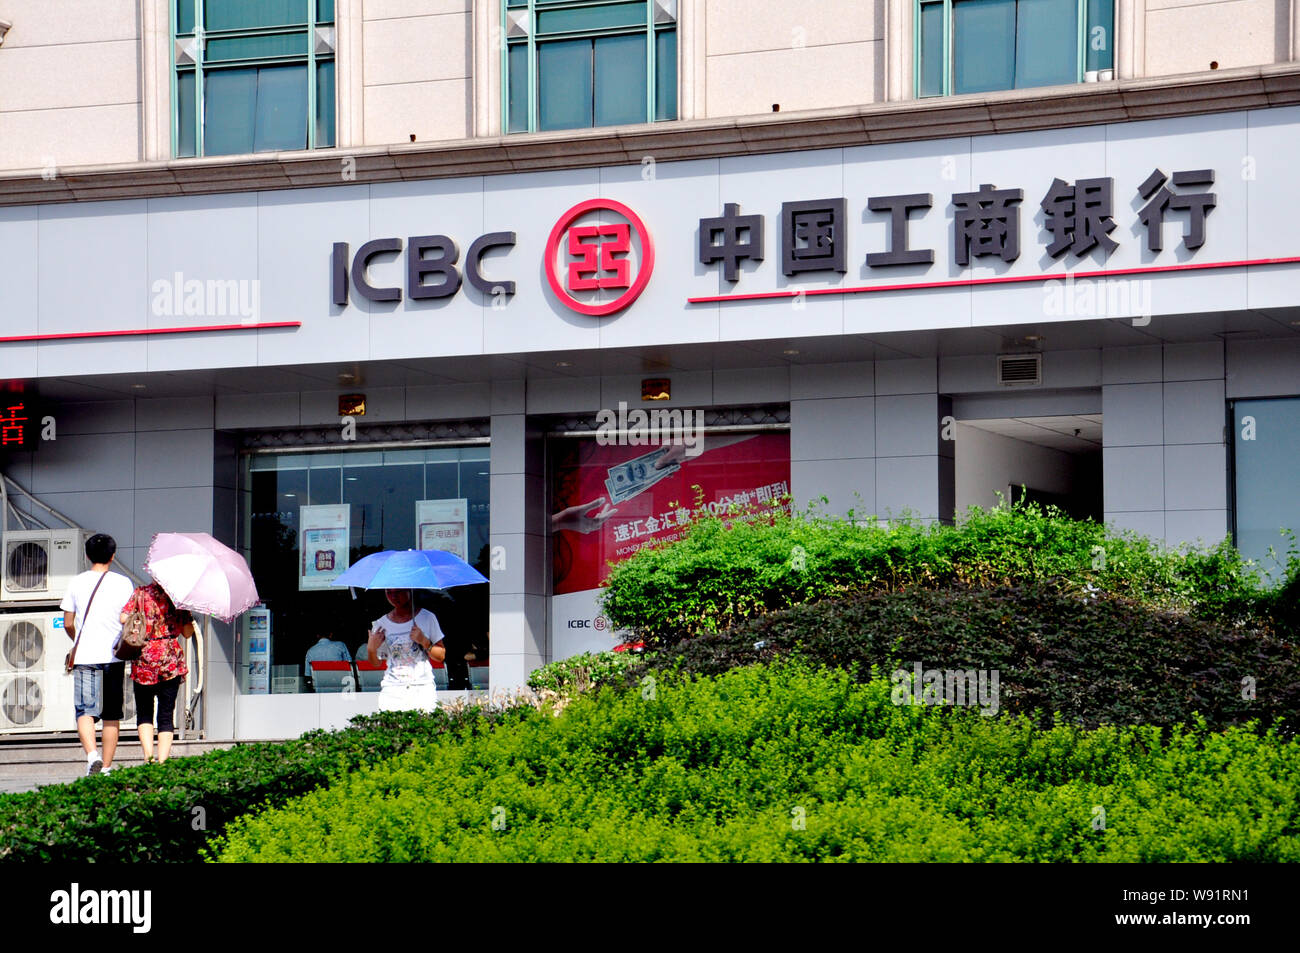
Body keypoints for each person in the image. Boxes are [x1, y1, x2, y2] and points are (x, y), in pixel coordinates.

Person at [60, 534, 135, 777]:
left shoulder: (76, 582)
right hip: (113, 656)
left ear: (87, 555)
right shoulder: (124, 583)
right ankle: (106, 768)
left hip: (85, 657)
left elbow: (68, 623)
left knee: (85, 711)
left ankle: (92, 754)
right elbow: (129, 620)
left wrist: (78, 641)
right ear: (113, 556)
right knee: (111, 715)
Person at [120, 581, 194, 764]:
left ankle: (148, 756)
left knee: (144, 711)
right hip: (169, 660)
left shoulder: (141, 593)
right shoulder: (179, 599)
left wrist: (142, 618)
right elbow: (187, 633)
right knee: (166, 713)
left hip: (144, 658)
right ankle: (162, 761)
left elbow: (123, 618)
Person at [367, 589, 445, 712]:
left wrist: (424, 641)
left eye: (398, 592)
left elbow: (440, 656)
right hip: (392, 689)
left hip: (422, 687)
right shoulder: (381, 623)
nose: (393, 597)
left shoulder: (427, 617)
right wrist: (371, 649)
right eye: (389, 593)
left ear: (409, 590)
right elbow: (376, 663)